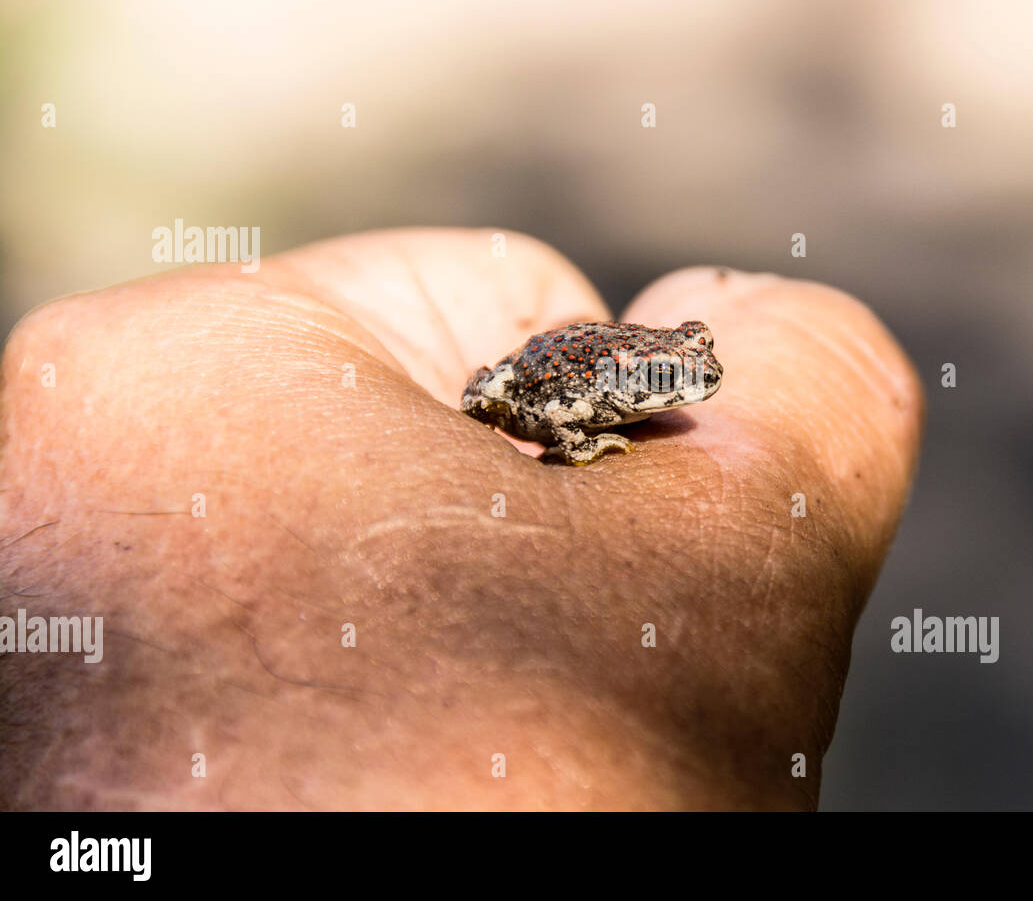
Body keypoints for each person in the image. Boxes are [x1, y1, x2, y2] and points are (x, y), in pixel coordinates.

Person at [0, 228, 923, 809]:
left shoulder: (651, 371)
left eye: (693, 365)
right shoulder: (598, 385)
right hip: (533, 372)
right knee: (498, 387)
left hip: (566, 358)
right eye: (674, 376)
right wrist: (579, 451)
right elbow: (554, 412)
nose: (695, 386)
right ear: (637, 379)